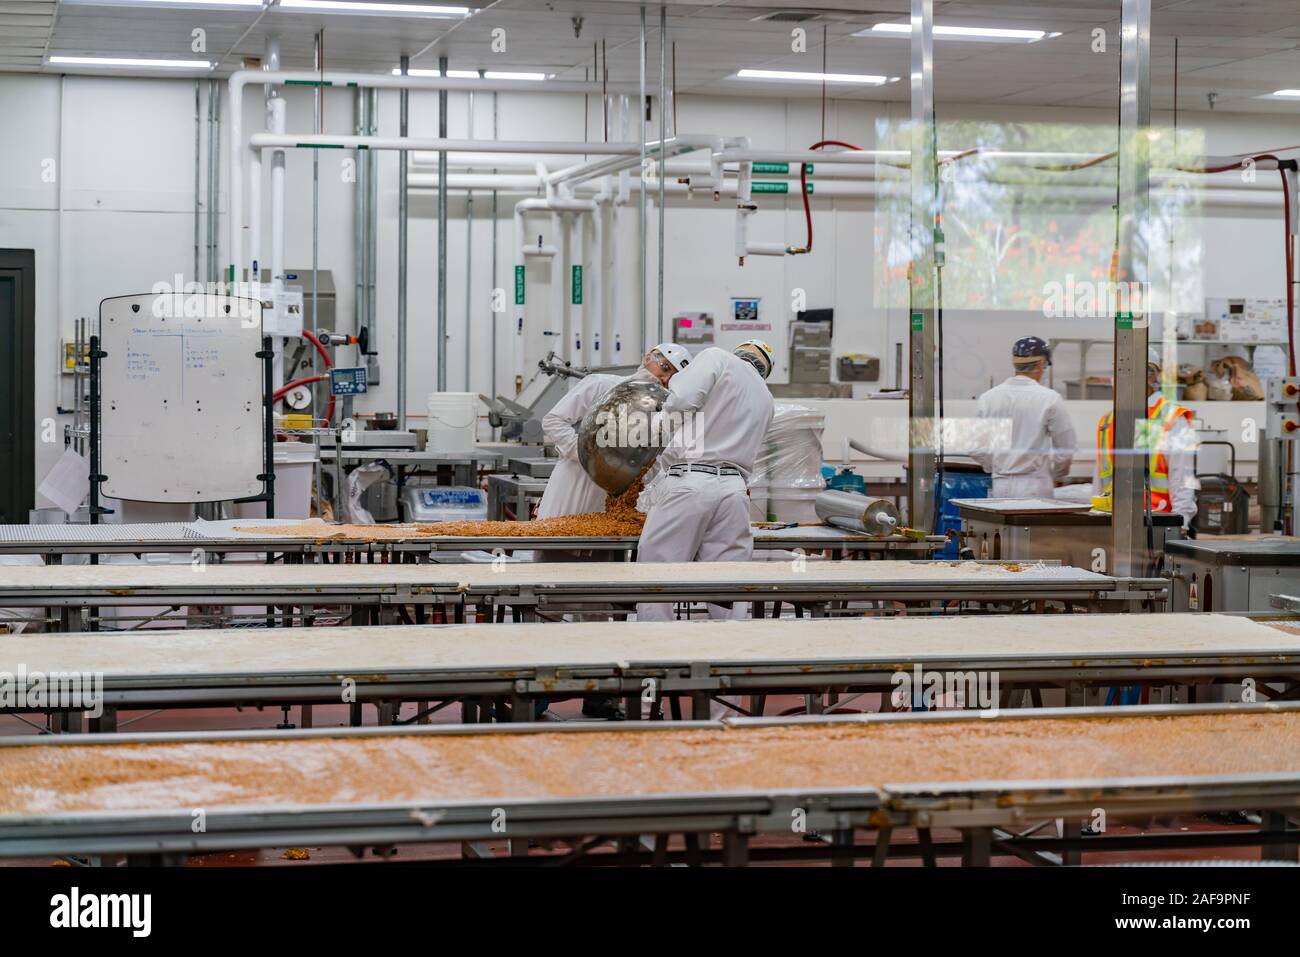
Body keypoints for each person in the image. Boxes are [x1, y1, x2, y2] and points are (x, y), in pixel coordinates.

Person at [635, 339, 776, 622]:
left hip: (691, 483)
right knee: (727, 584)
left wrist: (654, 431)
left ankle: (653, 652)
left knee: (657, 571)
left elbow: (681, 402)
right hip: (735, 491)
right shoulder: (766, 398)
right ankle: (728, 656)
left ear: (739, 350)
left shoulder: (717, 357)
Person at [535, 342, 691, 519]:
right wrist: (589, 457)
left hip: (610, 497)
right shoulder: (600, 385)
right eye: (664, 367)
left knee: (597, 544)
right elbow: (554, 420)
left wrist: (634, 479)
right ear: (648, 357)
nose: (664, 378)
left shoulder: (662, 415)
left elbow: (658, 460)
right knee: (554, 538)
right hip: (572, 482)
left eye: (673, 377)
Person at [1093, 348, 1197, 526]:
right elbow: (1100, 480)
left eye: (1125, 372)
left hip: (1158, 523)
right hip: (1114, 524)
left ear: (1150, 376)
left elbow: (1181, 480)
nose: (1118, 379)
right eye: (1117, 371)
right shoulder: (1108, 421)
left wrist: (1180, 525)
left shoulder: (1171, 418)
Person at [971, 336, 1077, 498]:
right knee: (1034, 524)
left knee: (1002, 524)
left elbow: (976, 449)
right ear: (1042, 363)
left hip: (1000, 485)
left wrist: (997, 468)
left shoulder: (988, 398)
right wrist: (1056, 474)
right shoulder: (1049, 398)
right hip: (1036, 484)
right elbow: (1065, 447)